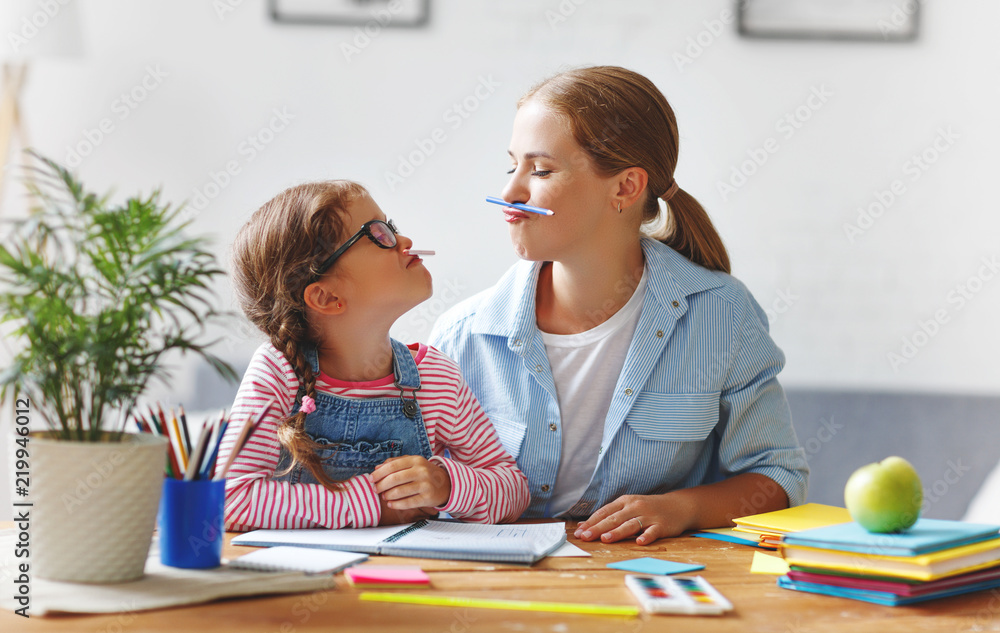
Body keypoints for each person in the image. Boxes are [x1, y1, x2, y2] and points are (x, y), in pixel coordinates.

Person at [430, 66, 809, 545]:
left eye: (541, 170)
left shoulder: (723, 315)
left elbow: (778, 476)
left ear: (626, 188)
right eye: (513, 166)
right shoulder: (461, 335)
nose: (510, 193)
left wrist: (685, 508)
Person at [220, 180, 529, 531]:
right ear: (325, 297)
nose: (404, 241)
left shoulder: (434, 378)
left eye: (391, 227)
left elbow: (512, 489)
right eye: (378, 234)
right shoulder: (278, 373)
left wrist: (446, 485)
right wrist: (370, 505)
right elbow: (230, 498)